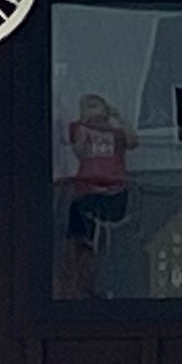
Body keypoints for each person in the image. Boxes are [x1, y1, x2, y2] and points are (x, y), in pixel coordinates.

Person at [59, 93, 134, 296]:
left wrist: (119, 118)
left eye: (94, 106)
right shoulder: (79, 129)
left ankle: (101, 279)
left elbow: (132, 141)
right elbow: (80, 152)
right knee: (82, 239)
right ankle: (82, 282)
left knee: (105, 242)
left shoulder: (116, 133)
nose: (90, 111)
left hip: (114, 189)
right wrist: (83, 131)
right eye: (85, 108)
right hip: (87, 190)